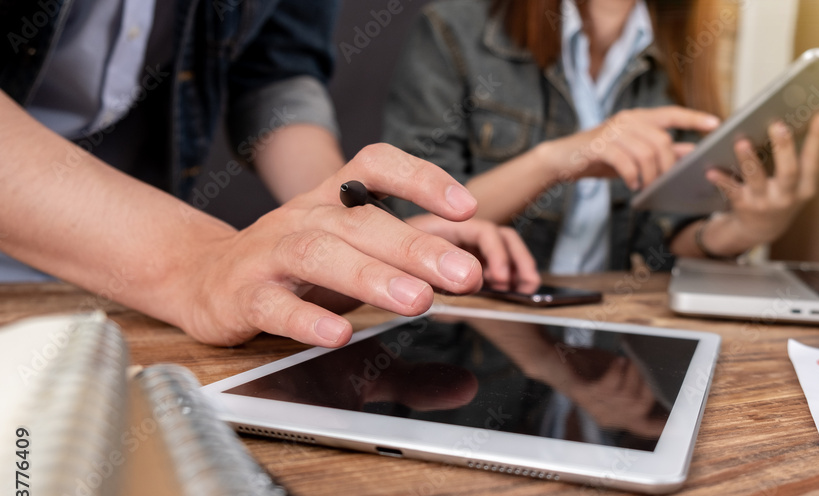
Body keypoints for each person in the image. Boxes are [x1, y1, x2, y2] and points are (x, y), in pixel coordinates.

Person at [0, 0, 539, 348]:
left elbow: (275, 70)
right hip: (124, 257)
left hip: (128, 294)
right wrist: (191, 262)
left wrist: (337, 229)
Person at [383, 0, 819, 273]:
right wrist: (553, 162)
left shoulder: (681, 53)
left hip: (606, 335)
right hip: (472, 337)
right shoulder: (453, 30)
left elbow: (662, 240)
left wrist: (740, 230)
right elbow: (411, 224)